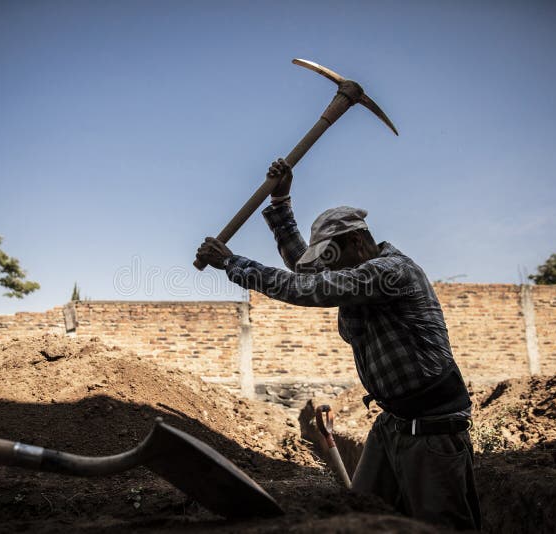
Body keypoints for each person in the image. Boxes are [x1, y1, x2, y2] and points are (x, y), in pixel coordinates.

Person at [196, 159, 481, 531]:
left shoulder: (389, 272)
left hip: (431, 432)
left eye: (334, 257)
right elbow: (305, 268)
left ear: (357, 241)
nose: (329, 270)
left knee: (442, 526)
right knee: (358, 517)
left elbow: (306, 287)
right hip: (392, 423)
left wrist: (232, 263)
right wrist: (282, 203)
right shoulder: (355, 266)